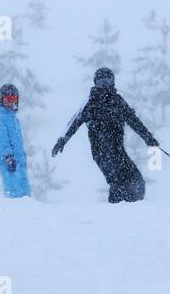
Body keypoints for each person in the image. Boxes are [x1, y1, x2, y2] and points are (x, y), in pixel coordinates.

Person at [51, 68, 158, 203]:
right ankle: (115, 213)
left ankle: (129, 209)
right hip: (101, 152)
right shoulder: (91, 103)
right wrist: (62, 140)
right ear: (95, 83)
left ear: (113, 83)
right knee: (118, 183)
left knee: (136, 182)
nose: (105, 86)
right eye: (101, 82)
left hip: (118, 151)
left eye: (108, 81)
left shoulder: (118, 102)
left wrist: (148, 137)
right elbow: (74, 121)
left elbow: (134, 121)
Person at [0, 83, 31, 199]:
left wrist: (21, 156)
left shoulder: (13, 118)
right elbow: (1, 139)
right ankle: (12, 209)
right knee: (12, 190)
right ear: (1, 101)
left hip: (18, 161)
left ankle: (28, 210)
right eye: (6, 99)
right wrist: (8, 156)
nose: (10, 102)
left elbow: (17, 140)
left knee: (24, 191)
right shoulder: (0, 118)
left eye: (13, 99)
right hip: (8, 162)